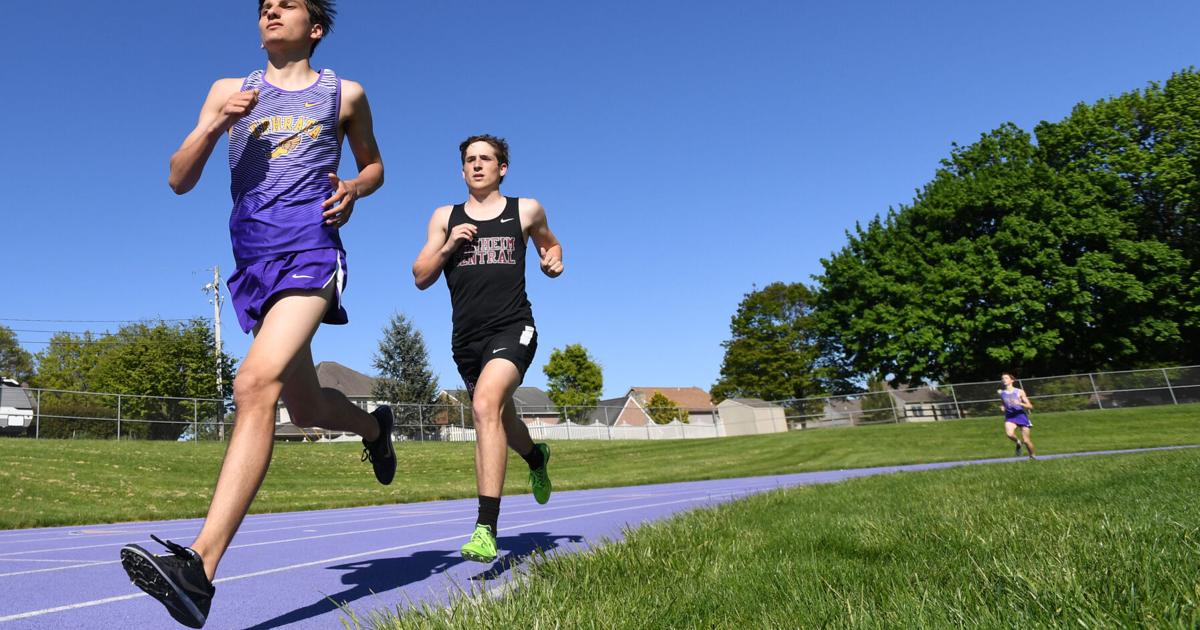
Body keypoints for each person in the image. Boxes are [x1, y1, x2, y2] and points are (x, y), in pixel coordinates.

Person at [119, 2, 392, 626]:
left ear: (315, 28)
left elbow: (374, 165)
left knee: (253, 383)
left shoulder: (344, 93)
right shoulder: (227, 89)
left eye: (286, 4)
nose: (271, 9)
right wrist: (214, 124)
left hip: (312, 252)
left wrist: (352, 189)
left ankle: (199, 568)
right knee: (306, 406)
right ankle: (376, 430)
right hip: (253, 260)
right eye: (265, 5)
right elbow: (178, 178)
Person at [412, 134, 562, 563]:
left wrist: (554, 261)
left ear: (502, 168)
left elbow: (550, 244)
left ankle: (485, 528)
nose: (478, 165)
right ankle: (536, 457)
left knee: (484, 406)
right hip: (467, 341)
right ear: (462, 171)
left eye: (486, 158)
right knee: (500, 417)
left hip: (514, 327)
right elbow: (420, 275)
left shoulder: (525, 209)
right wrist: (448, 245)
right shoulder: (445, 216)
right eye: (470, 160)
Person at [998, 372, 1035, 460]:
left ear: (1012, 380)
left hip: (1021, 416)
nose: (1004, 380)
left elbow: (1030, 406)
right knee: (1009, 434)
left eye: (1006, 378)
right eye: (1002, 378)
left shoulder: (1019, 392)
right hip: (1010, 416)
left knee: (1026, 441)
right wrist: (1002, 407)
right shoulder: (1001, 393)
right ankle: (1018, 442)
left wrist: (1020, 403)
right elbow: (1003, 403)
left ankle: (1032, 456)